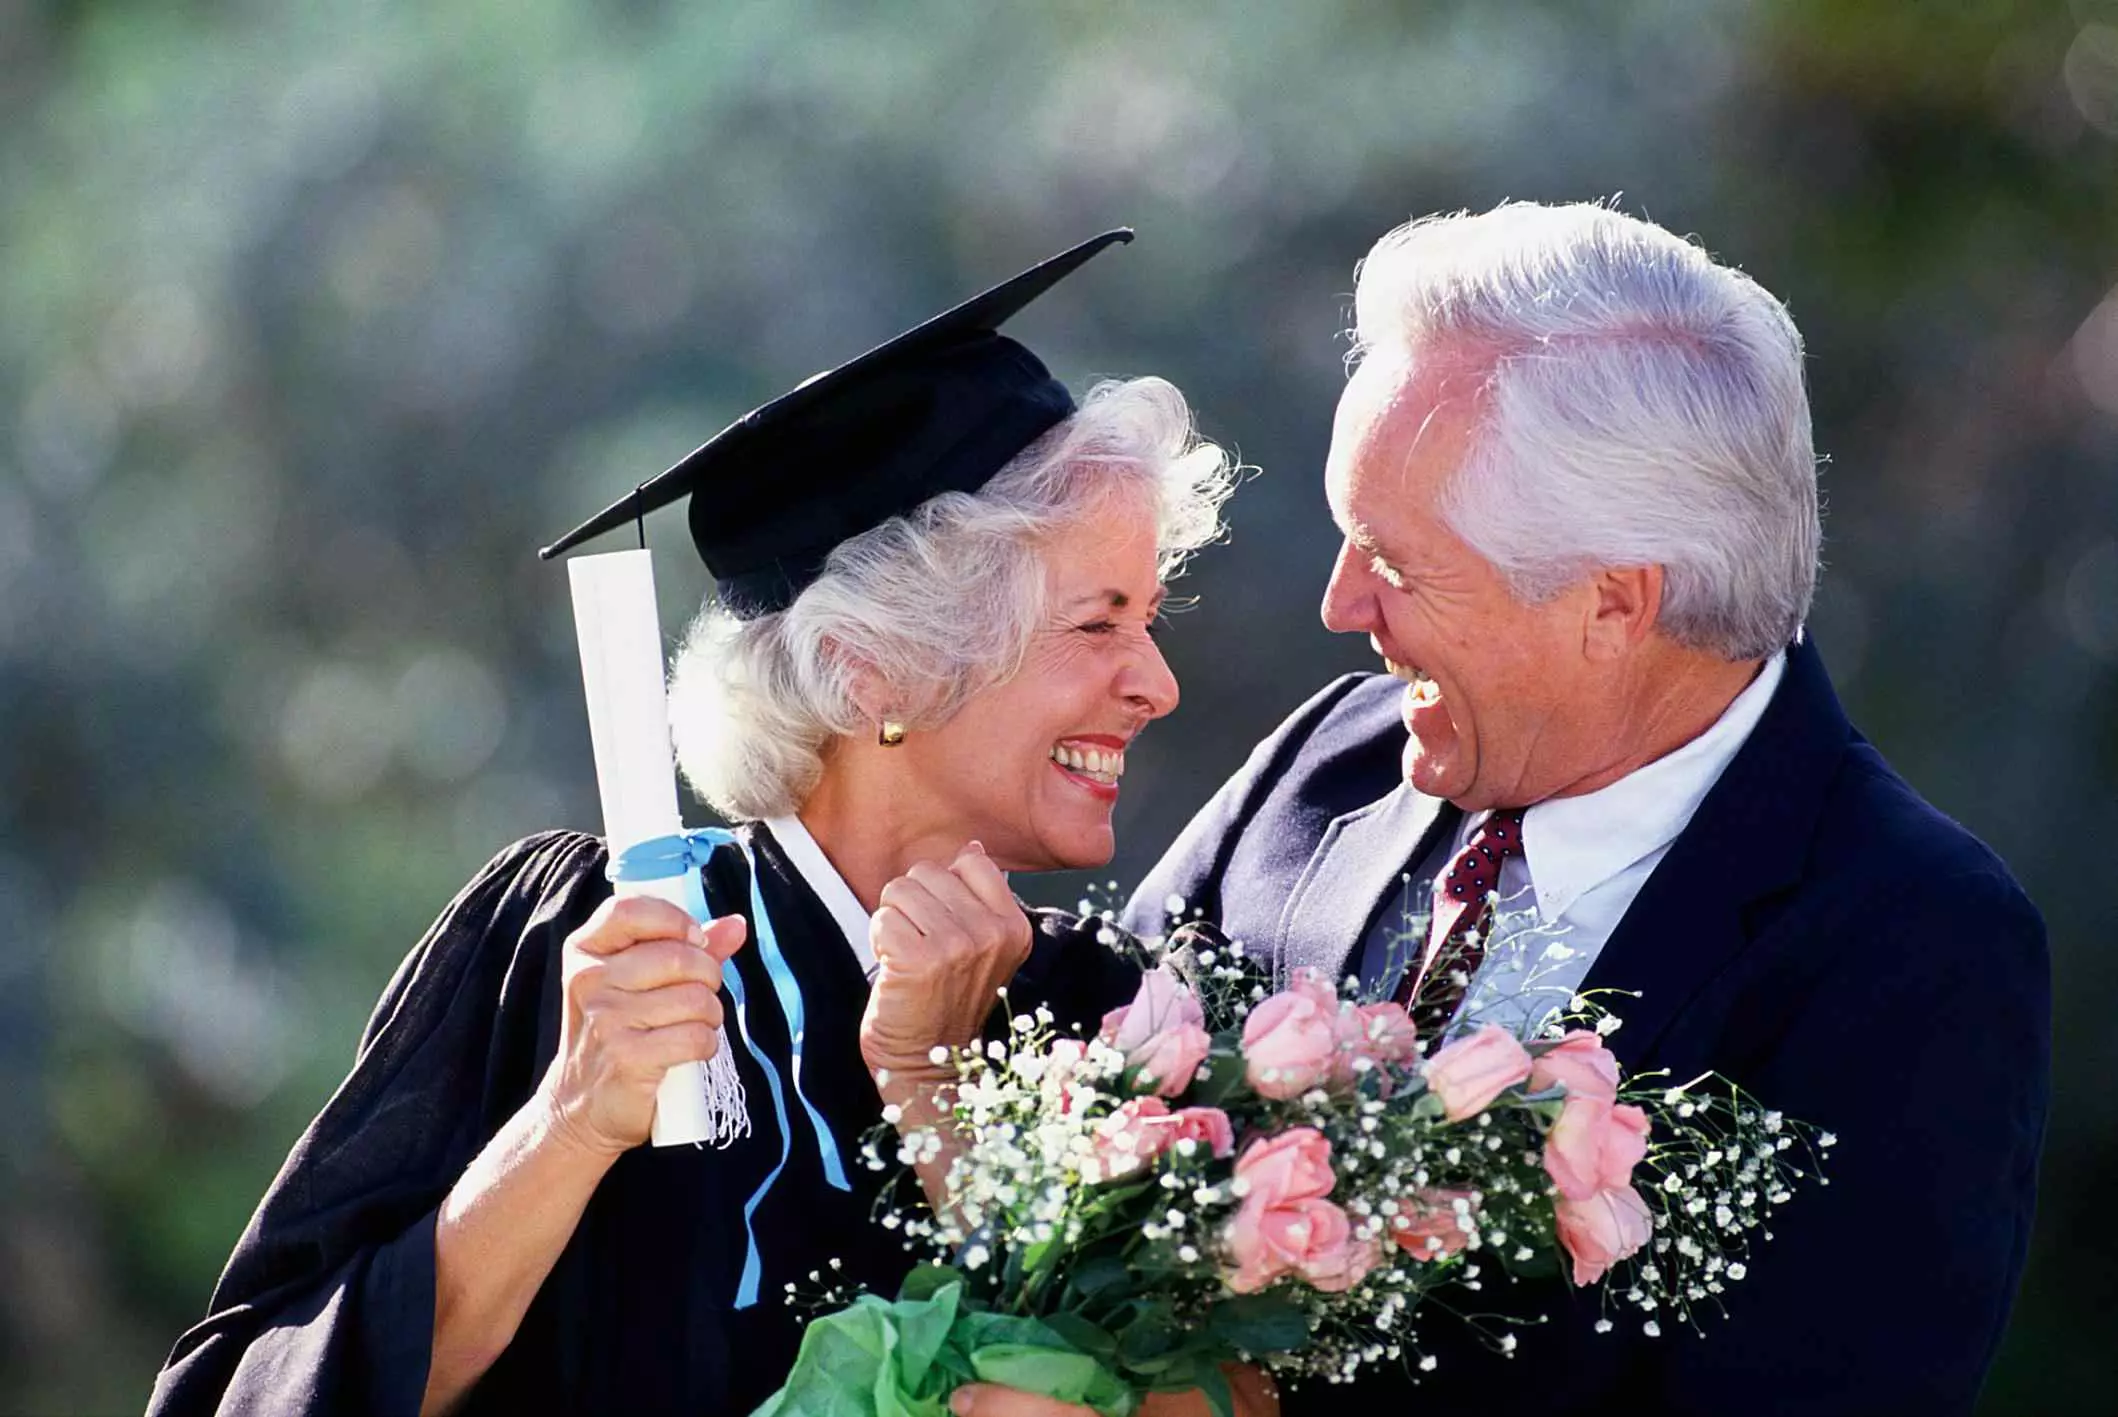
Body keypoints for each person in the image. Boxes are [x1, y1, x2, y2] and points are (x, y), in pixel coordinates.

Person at [147, 233, 1251, 1415]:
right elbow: (243, 1393)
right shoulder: (592, 943)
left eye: (1150, 621)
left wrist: (938, 1088)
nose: (1157, 684)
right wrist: (570, 1124)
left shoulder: (1110, 1018)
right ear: (876, 670)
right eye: (1098, 625)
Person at [1124, 201, 2050, 1416]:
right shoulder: (1324, 759)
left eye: (1397, 563)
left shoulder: (1914, 945)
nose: (1342, 606)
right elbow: (1076, 1133)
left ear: (1614, 604)